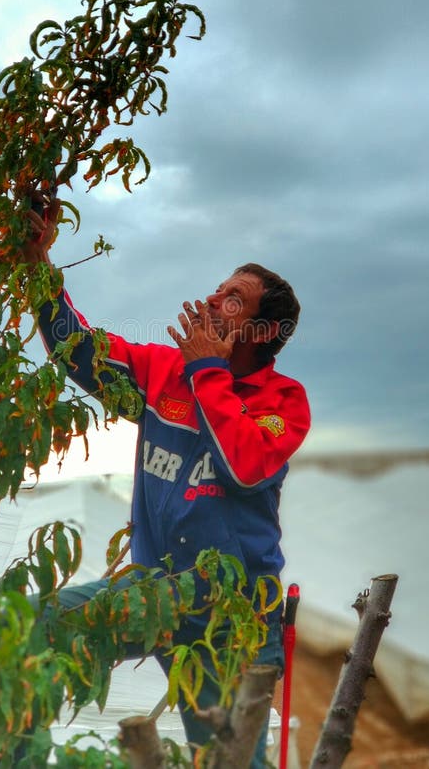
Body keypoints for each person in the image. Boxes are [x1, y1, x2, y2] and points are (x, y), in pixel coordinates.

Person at [22, 201, 311, 766]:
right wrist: (39, 263)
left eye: (232, 299)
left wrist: (208, 373)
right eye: (217, 289)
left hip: (235, 614)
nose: (209, 300)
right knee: (29, 625)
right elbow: (78, 350)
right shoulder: (161, 369)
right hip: (158, 593)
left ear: (263, 331)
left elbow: (243, 468)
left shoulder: (284, 402)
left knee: (229, 759)